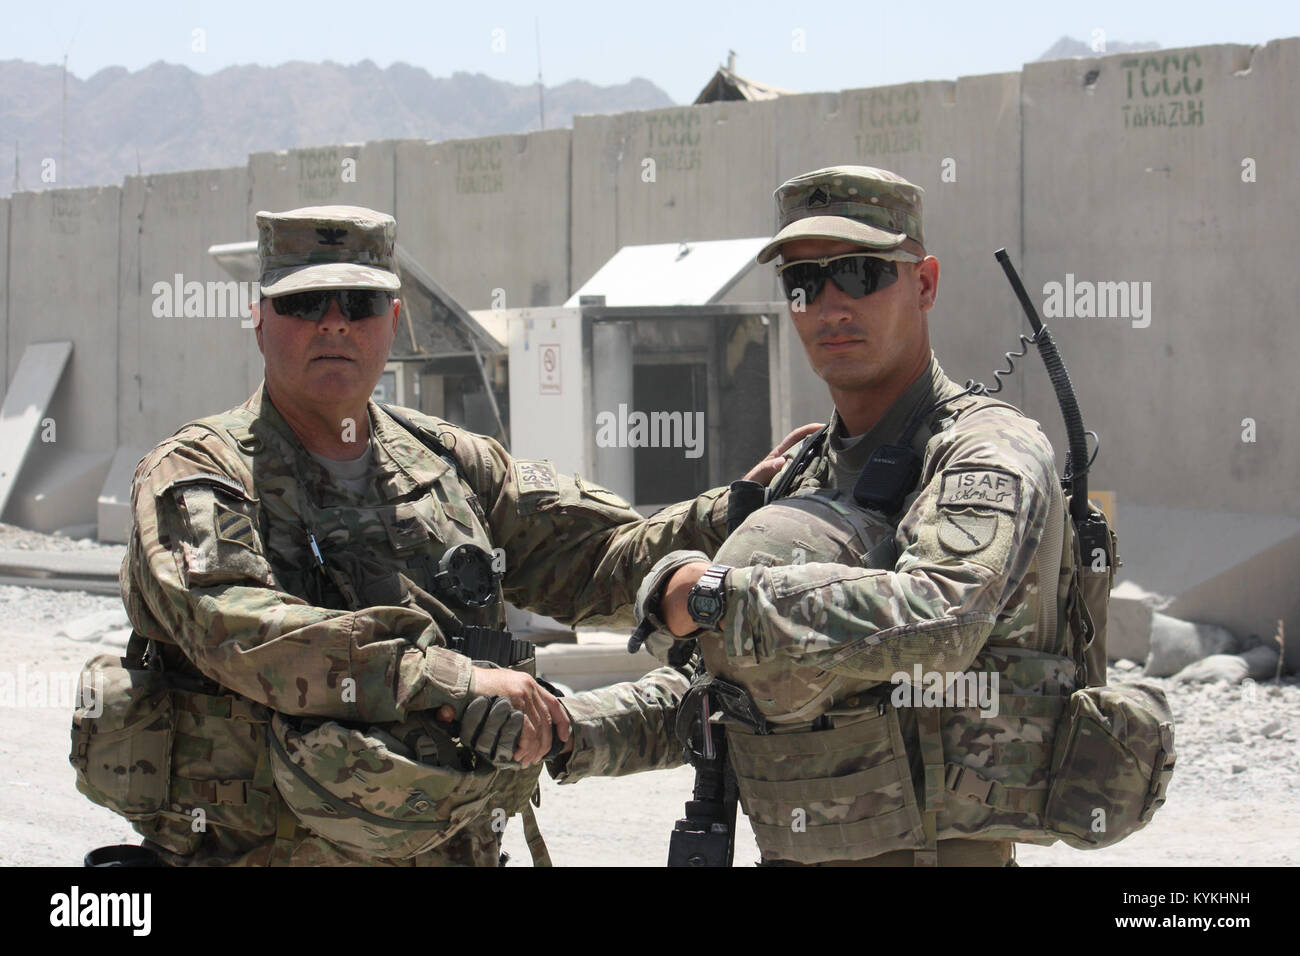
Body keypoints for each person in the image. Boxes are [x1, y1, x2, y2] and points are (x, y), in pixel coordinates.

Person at [98, 204, 809, 867]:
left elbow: (596, 558)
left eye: (361, 303)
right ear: (259, 318)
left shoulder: (450, 464)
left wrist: (733, 514)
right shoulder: (199, 473)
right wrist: (449, 678)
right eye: (305, 303)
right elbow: (239, 629)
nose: (335, 323)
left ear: (394, 319)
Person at [560, 166, 1081, 867]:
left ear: (924, 283)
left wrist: (716, 596)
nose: (831, 305)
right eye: (804, 284)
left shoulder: (984, 451)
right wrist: (567, 727)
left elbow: (944, 618)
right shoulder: (808, 468)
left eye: (862, 274)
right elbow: (722, 689)